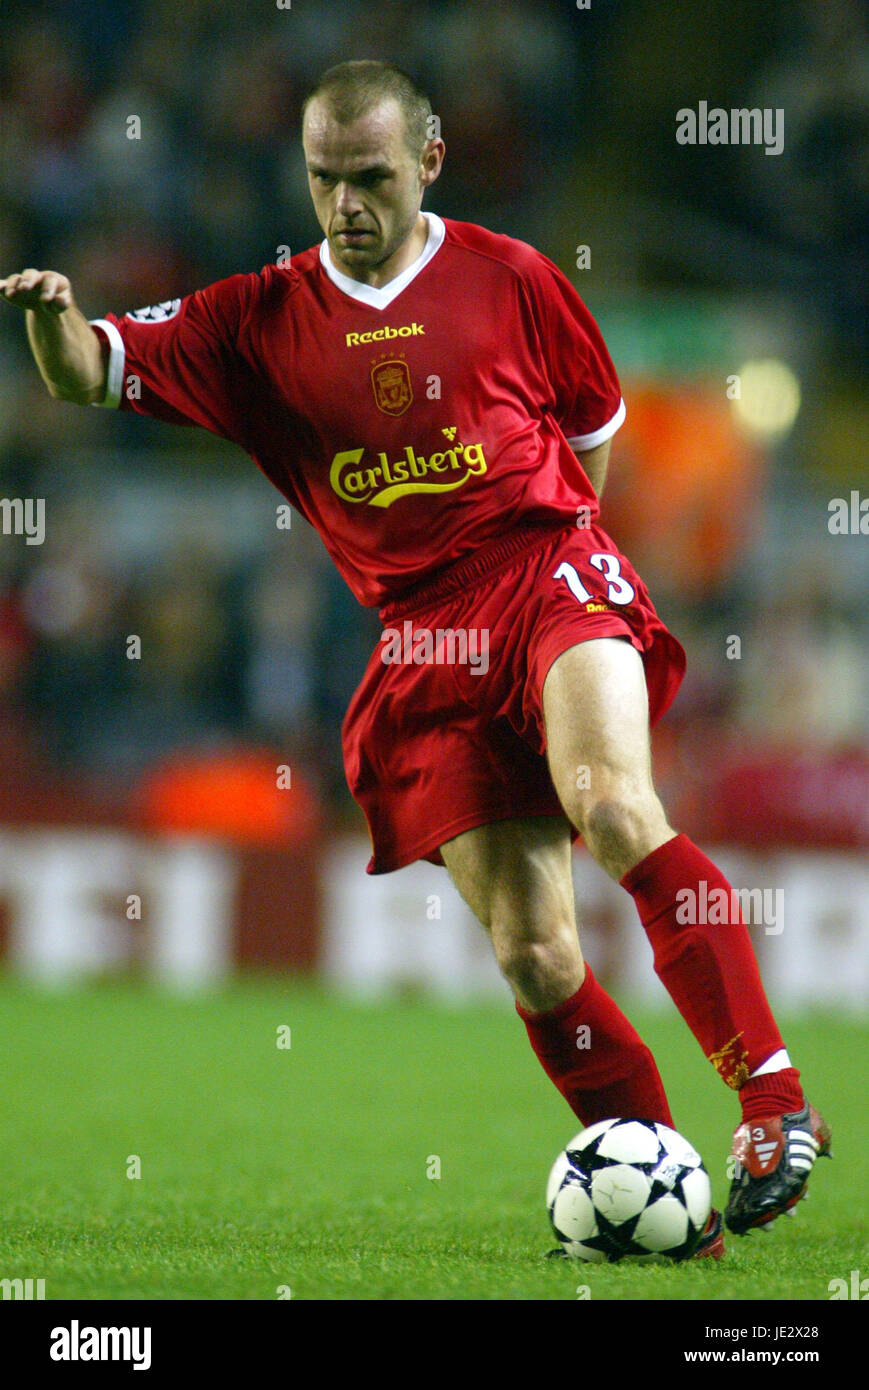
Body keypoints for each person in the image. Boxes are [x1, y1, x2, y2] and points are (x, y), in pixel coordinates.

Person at [2, 60, 830, 1257]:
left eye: (371, 177)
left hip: (542, 564)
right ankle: (677, 1222)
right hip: (418, 641)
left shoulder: (513, 277)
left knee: (610, 803)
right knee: (536, 955)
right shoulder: (255, 319)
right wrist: (49, 319)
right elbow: (90, 369)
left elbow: (592, 440)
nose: (345, 202)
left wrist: (562, 575)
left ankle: (770, 1104)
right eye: (324, 178)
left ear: (427, 162)